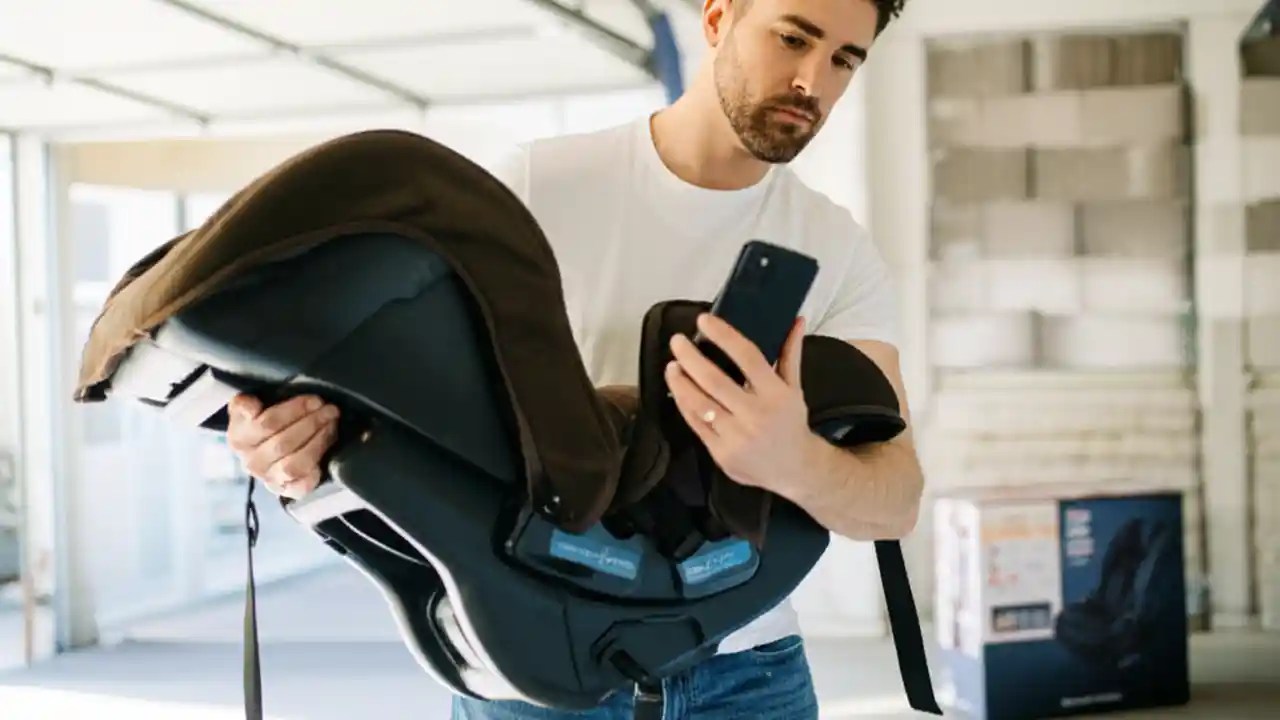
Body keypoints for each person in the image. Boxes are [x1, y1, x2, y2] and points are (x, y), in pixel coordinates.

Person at [224, 0, 921, 717]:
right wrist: (296, 446)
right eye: (792, 37)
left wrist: (789, 460)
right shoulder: (531, 188)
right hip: (536, 669)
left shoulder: (838, 250)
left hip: (750, 679)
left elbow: (897, 496)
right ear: (717, 19)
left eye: (844, 59)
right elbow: (403, 399)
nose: (813, 81)